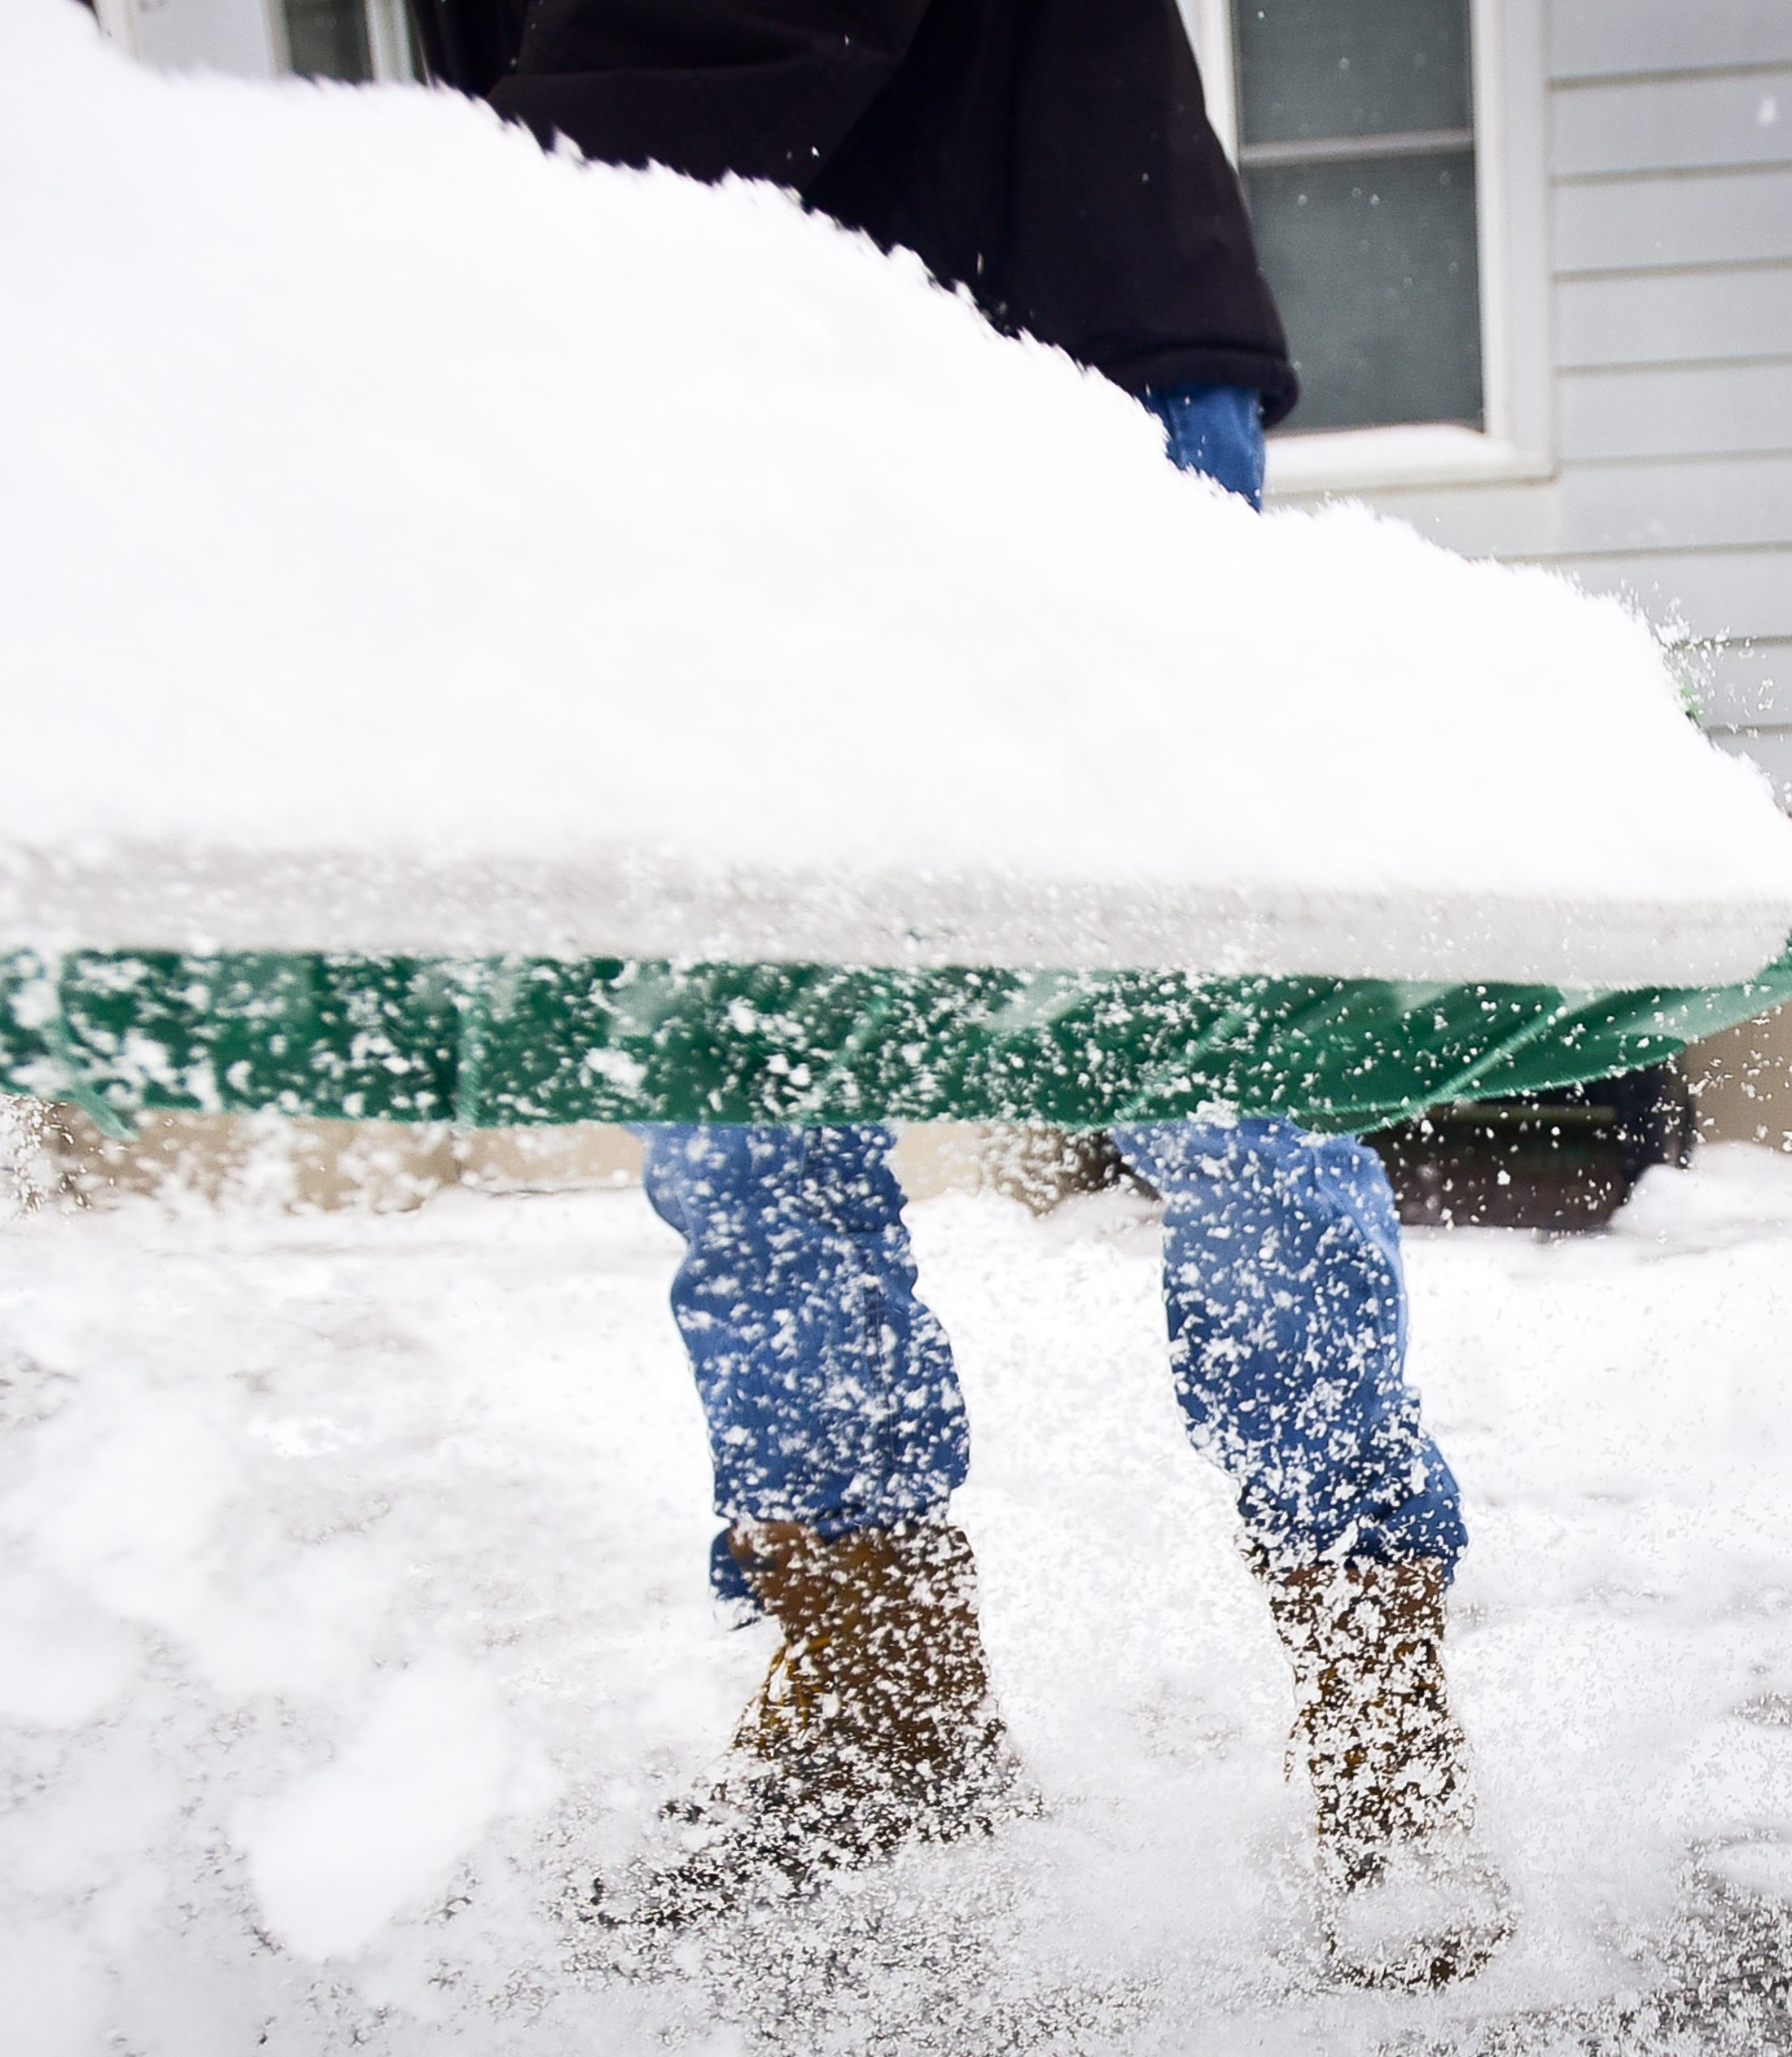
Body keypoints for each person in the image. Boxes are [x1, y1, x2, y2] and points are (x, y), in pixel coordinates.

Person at [415, 0, 1500, 1984]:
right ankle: (880, 1695)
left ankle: (1378, 1698)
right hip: (719, 412)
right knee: (741, 1079)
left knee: (1213, 1065)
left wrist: (447, 220)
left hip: (1052, 346)